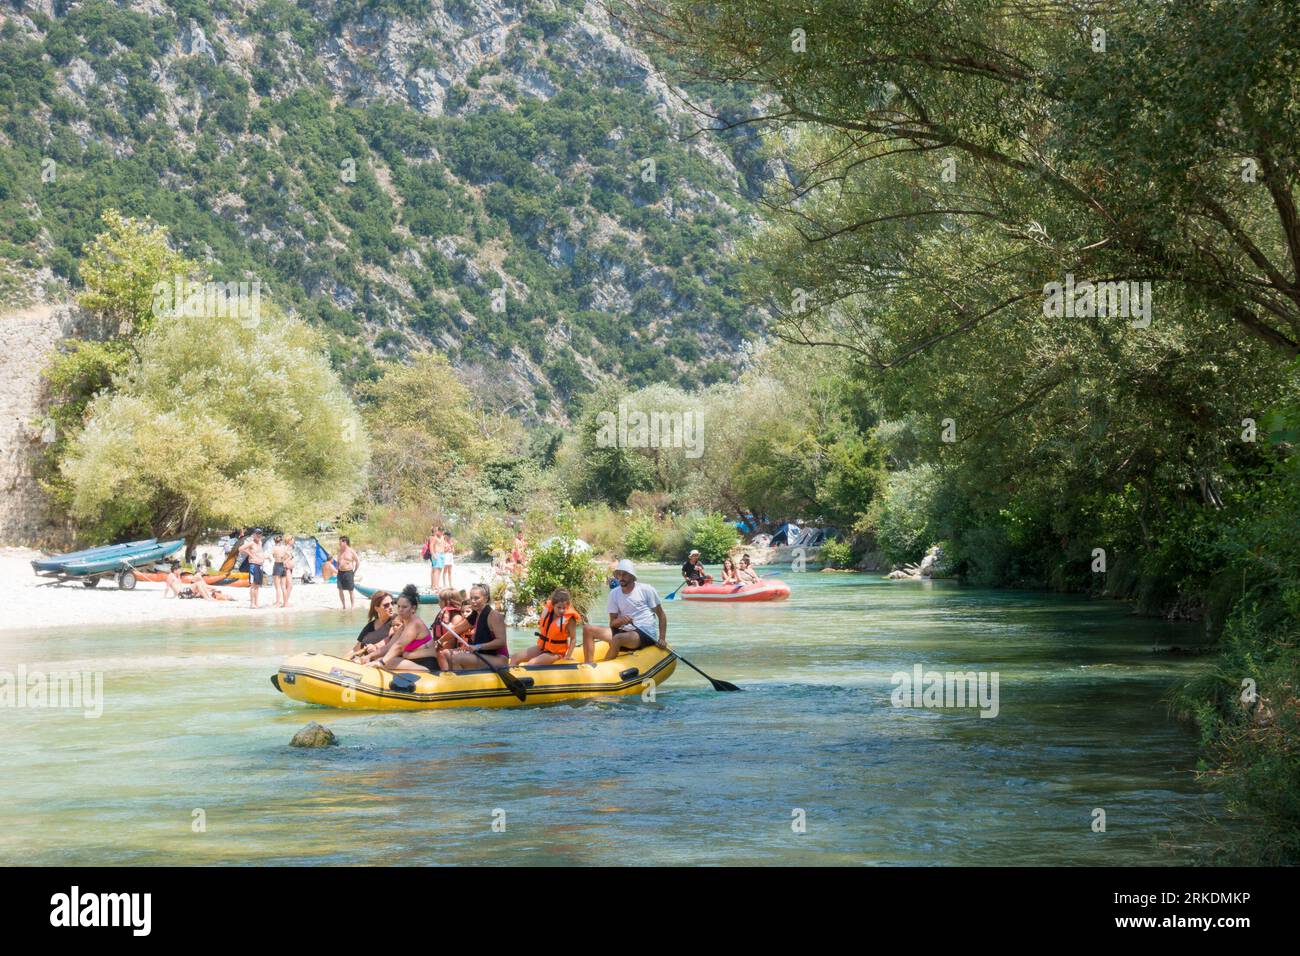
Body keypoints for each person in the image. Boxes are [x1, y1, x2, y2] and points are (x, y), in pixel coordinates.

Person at [583, 560, 668, 662]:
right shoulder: (614, 594)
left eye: (625, 574)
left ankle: (604, 665)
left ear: (632, 576)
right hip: (624, 631)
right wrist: (621, 621)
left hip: (645, 633)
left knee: (618, 638)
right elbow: (612, 624)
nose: (621, 577)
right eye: (619, 574)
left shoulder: (646, 590)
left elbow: (661, 615)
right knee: (587, 629)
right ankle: (588, 665)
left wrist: (662, 638)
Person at [445, 583, 509, 671]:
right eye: (471, 598)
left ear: (486, 598)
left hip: (500, 658)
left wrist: (478, 646)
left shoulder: (494, 615)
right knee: (448, 654)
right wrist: (439, 641)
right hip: (484, 655)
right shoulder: (476, 615)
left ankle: (461, 679)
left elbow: (501, 641)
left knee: (457, 658)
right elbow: (456, 629)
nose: (473, 601)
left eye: (476, 598)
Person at [511, 588, 581, 666]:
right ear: (553, 605)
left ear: (567, 606)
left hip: (556, 653)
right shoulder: (548, 611)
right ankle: (509, 674)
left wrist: (568, 656)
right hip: (542, 647)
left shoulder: (570, 619)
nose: (561, 611)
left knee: (531, 663)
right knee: (514, 657)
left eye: (564, 608)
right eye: (558, 607)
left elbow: (573, 639)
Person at [348, 590, 394, 661]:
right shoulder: (369, 626)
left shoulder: (397, 621)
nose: (391, 607)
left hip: (383, 662)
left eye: (392, 603)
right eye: (386, 605)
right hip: (364, 662)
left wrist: (375, 647)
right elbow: (355, 650)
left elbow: (393, 641)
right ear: (377, 608)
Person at [238, 531, 265, 609]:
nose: (259, 535)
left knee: (257, 585)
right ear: (254, 535)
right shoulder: (251, 543)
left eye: (260, 534)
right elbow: (240, 548)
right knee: (253, 585)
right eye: (257, 534)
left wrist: (264, 558)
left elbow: (260, 553)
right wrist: (250, 554)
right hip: (253, 565)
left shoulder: (260, 542)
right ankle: (252, 603)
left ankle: (256, 603)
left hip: (259, 565)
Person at [336, 535, 359, 610]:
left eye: (340, 542)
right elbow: (338, 561)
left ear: (345, 542)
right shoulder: (339, 551)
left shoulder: (351, 551)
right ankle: (344, 606)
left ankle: (352, 606)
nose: (339, 543)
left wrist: (354, 571)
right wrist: (337, 569)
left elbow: (357, 561)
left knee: (350, 590)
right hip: (340, 572)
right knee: (340, 589)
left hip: (349, 572)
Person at [271, 535, 288, 608]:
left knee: (277, 587)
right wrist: (285, 561)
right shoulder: (284, 548)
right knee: (283, 587)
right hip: (283, 565)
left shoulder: (274, 548)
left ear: (274, 541)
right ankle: (285, 603)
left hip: (277, 565)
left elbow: (271, 555)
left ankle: (278, 603)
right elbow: (290, 556)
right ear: (281, 541)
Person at [282, 535, 296, 607]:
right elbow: (283, 558)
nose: (293, 541)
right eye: (292, 540)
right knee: (290, 585)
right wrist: (288, 559)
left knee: (288, 585)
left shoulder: (289, 548)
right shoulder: (286, 548)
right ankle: (285, 603)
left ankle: (285, 602)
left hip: (289, 568)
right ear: (289, 541)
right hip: (286, 568)